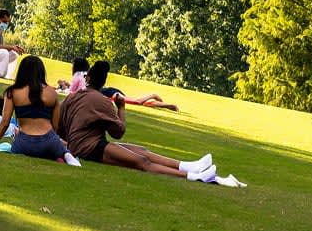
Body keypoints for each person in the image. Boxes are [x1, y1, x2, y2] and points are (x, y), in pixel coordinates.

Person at [60, 62, 229, 183]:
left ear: (88, 77)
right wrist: (121, 108)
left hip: (83, 145)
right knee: (142, 162)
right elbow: (118, 132)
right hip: (90, 149)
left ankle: (189, 166)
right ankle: (195, 176)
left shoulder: (72, 97)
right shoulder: (102, 102)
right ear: (104, 81)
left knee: (142, 151)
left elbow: (60, 124)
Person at [0, 56, 78, 164]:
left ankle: (60, 154)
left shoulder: (13, 92)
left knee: (12, 148)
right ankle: (63, 154)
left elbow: (5, 123)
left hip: (24, 142)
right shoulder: (52, 93)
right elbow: (55, 126)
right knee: (58, 149)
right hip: (50, 141)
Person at [89, 62, 177, 112]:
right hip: (108, 92)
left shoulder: (94, 84)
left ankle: (153, 95)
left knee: (136, 102)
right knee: (144, 103)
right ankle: (167, 105)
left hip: (111, 93)